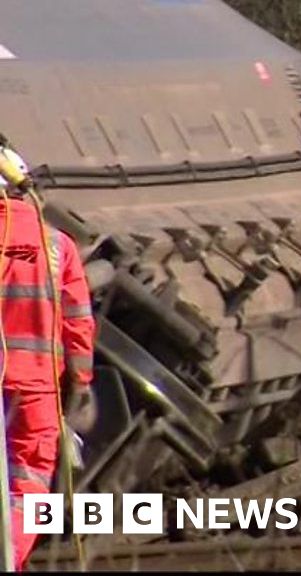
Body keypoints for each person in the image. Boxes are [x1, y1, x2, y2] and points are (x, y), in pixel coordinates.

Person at [0, 145, 96, 570]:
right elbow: (78, 325)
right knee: (28, 485)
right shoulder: (58, 246)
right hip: (37, 391)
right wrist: (80, 385)